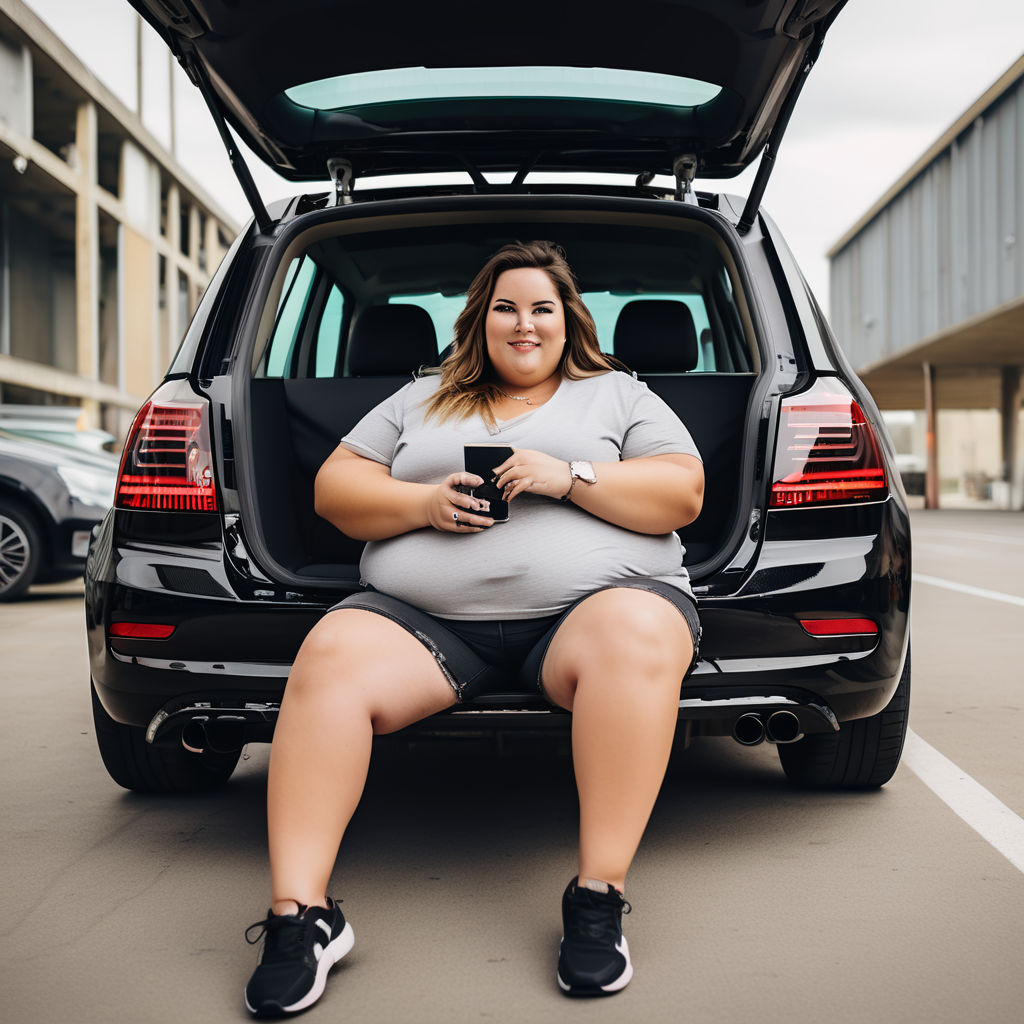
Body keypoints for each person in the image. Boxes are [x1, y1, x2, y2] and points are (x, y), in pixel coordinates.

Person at [243, 240, 704, 1016]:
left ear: (569, 321)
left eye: (542, 309)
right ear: (480, 322)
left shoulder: (618, 394)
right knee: (328, 653)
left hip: (584, 620)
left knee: (636, 633)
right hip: (425, 626)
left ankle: (597, 899)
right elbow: (335, 487)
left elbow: (681, 491)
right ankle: (302, 917)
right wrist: (421, 504)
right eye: (506, 308)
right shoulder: (419, 398)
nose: (524, 325)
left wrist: (570, 476)